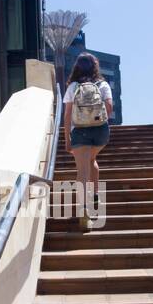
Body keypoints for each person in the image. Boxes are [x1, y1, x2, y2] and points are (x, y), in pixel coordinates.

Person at [62, 52, 114, 231]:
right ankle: (96, 195)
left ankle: (84, 210)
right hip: (100, 132)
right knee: (92, 160)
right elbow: (109, 108)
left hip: (80, 132)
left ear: (77, 67)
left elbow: (68, 114)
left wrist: (67, 138)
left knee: (82, 169)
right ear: (95, 67)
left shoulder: (73, 87)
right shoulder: (103, 84)